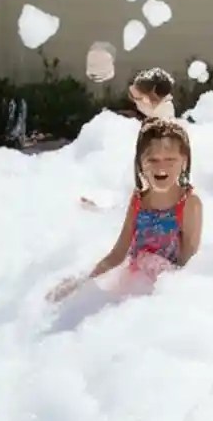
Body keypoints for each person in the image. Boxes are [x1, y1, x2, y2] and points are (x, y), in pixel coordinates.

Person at [48, 119, 203, 301]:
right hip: (133, 286)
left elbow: (188, 264)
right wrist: (82, 284)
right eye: (152, 160)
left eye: (170, 160)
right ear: (140, 163)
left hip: (163, 293)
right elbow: (117, 254)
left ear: (184, 161)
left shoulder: (189, 204)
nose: (161, 167)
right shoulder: (138, 201)